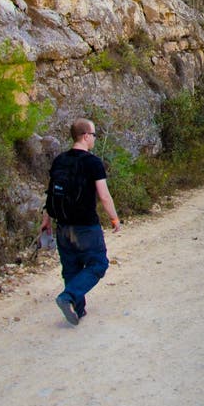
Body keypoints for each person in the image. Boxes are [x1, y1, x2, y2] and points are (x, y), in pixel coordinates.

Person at [40, 118, 121, 326]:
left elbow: (51, 192)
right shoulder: (93, 163)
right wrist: (114, 218)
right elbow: (104, 196)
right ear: (85, 136)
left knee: (71, 268)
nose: (94, 139)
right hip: (86, 228)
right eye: (93, 135)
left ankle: (77, 308)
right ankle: (68, 297)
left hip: (63, 226)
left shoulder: (60, 160)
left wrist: (46, 218)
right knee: (99, 264)